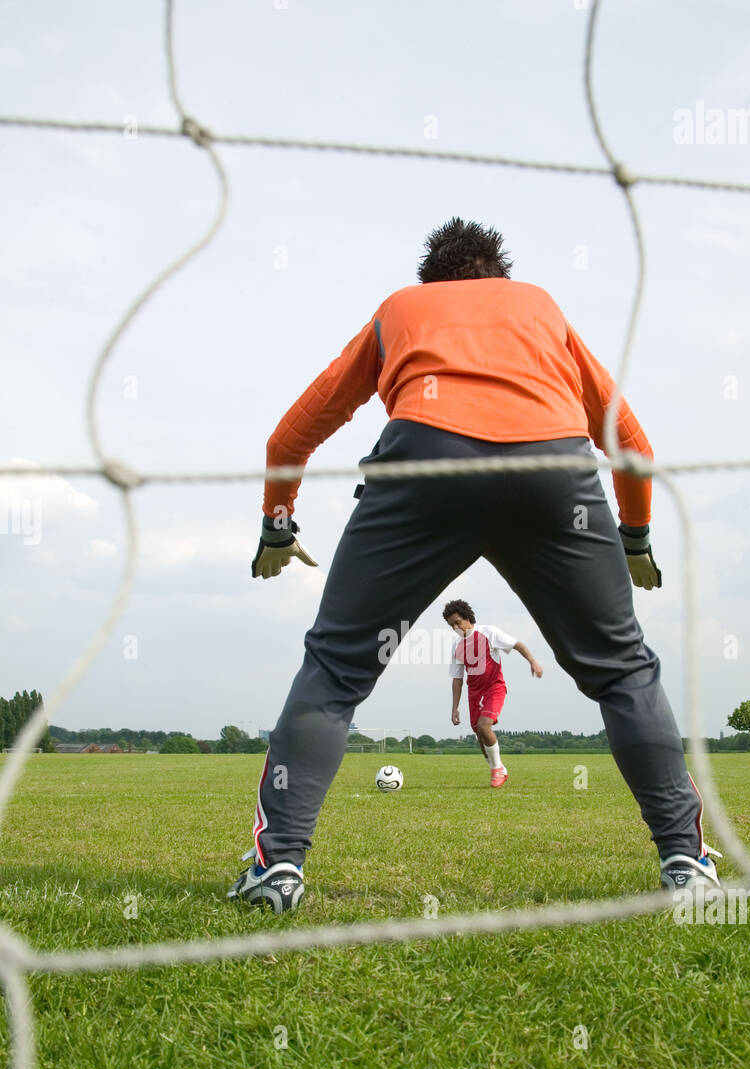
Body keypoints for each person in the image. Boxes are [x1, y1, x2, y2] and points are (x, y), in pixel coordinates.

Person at [229, 217, 719, 913]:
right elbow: (630, 441)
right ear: (500, 276)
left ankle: (276, 868)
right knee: (621, 672)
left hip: (424, 466)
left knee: (335, 671)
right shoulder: (540, 307)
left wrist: (278, 524)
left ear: (432, 282)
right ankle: (685, 862)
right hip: (551, 470)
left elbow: (295, 429)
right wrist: (635, 536)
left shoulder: (402, 309)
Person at [443, 599, 542, 787]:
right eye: (451, 625)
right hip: (474, 693)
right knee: (480, 735)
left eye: (457, 622)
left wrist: (533, 662)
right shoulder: (456, 646)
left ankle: (496, 770)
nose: (455, 627)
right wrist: (454, 708)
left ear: (467, 617)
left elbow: (517, 644)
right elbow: (457, 679)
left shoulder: (489, 633)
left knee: (484, 726)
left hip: (494, 688)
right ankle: (498, 768)